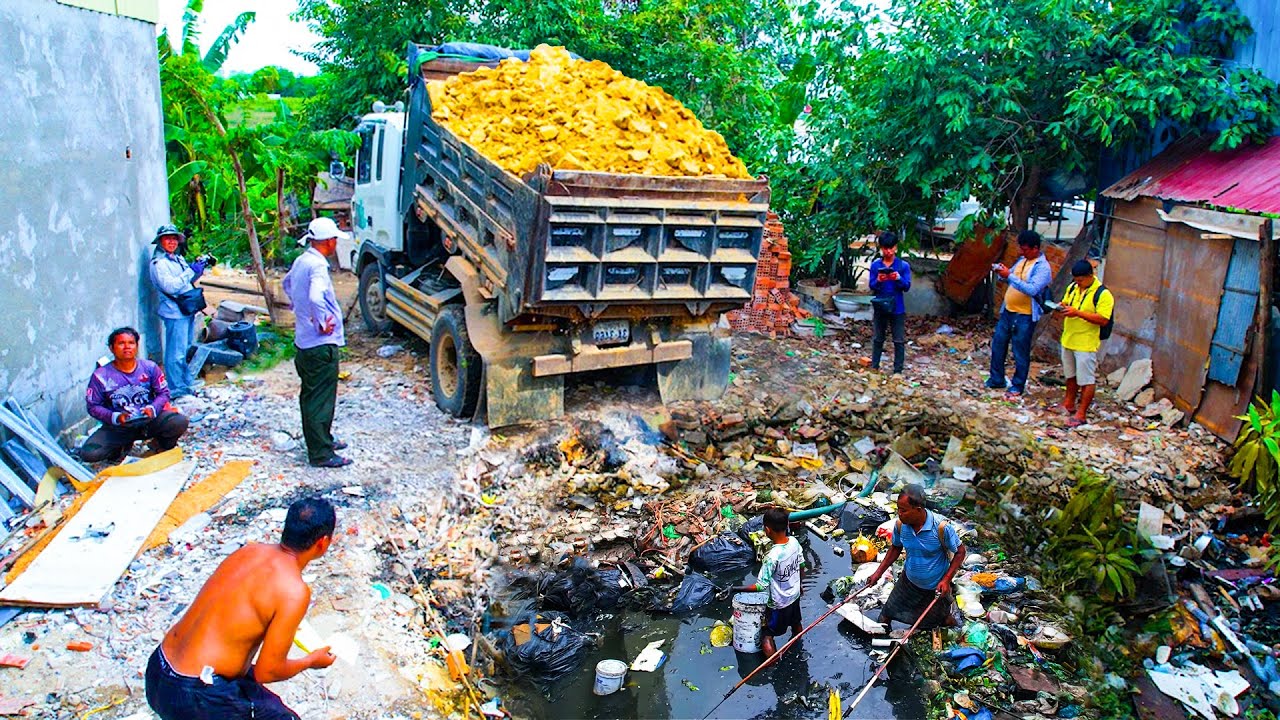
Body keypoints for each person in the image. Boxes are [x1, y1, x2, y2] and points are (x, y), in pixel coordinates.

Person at [145, 497, 338, 720]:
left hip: (158, 670)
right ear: (322, 542)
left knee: (268, 707)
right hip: (195, 694)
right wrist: (311, 661)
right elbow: (268, 671)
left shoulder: (248, 551)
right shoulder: (294, 591)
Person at [283, 218, 351, 468]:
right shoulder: (318, 266)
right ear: (329, 242)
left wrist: (301, 310)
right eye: (334, 239)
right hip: (320, 345)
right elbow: (315, 295)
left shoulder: (303, 260)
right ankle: (321, 453)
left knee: (312, 396)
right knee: (320, 399)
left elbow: (287, 284)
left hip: (304, 341)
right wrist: (321, 320)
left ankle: (323, 440)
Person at [864, 484, 966, 630]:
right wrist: (877, 574)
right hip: (908, 581)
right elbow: (895, 548)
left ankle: (954, 625)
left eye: (903, 510)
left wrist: (946, 579)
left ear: (918, 510)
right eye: (898, 508)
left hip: (934, 587)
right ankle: (881, 639)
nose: (899, 513)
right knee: (887, 613)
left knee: (936, 623)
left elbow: (960, 552)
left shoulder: (941, 528)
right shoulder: (901, 525)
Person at [79, 328, 189, 462]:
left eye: (131, 343)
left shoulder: (150, 368)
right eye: (121, 343)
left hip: (149, 421)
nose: (127, 347)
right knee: (89, 454)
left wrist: (153, 408)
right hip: (119, 426)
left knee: (179, 421)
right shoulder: (101, 375)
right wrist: (115, 417)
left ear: (137, 346)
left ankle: (158, 446)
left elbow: (163, 393)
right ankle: (121, 447)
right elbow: (93, 406)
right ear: (111, 348)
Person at [728, 507, 804, 656]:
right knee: (796, 623)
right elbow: (801, 565)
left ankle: (773, 665)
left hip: (779, 603)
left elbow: (760, 586)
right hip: (794, 595)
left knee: (766, 635)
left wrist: (735, 588)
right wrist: (800, 585)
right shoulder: (794, 542)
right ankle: (798, 647)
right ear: (787, 526)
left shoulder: (772, 557)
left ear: (767, 530)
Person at [987, 230, 1051, 399]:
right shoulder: (1022, 261)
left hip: (1025, 315)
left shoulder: (1043, 268)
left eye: (1025, 249)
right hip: (1008, 310)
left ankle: (1017, 385)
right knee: (998, 345)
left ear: (1035, 248)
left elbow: (1032, 289)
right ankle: (996, 379)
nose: (1022, 252)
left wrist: (1010, 276)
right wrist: (1003, 274)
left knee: (1020, 351)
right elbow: (1011, 279)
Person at [150, 225, 207, 399]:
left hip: (185, 309)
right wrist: (190, 271)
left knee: (185, 348)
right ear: (160, 241)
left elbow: (187, 282)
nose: (172, 242)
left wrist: (198, 268)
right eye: (168, 239)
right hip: (174, 311)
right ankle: (176, 387)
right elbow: (171, 286)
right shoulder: (159, 264)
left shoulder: (177, 259)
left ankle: (186, 382)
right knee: (176, 352)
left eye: (174, 239)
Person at [1055, 260, 1114, 428]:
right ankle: (1069, 403)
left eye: (1080, 280)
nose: (1078, 283)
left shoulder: (1103, 294)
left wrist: (1078, 313)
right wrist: (1061, 307)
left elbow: (1103, 319)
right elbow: (1066, 302)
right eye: (1076, 280)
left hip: (1086, 342)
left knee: (1086, 379)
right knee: (1070, 374)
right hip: (1069, 337)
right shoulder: (1073, 288)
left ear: (1090, 276)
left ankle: (1081, 413)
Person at [867, 231, 912, 374]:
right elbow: (872, 286)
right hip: (880, 306)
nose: (888, 251)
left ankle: (898, 370)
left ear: (895, 248)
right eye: (885, 248)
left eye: (891, 248)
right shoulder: (875, 265)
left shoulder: (903, 266)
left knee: (898, 339)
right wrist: (879, 280)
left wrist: (898, 278)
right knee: (878, 338)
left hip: (897, 307)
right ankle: (875, 366)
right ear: (881, 248)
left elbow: (906, 287)